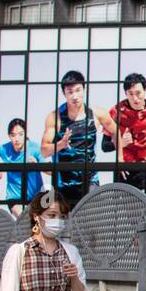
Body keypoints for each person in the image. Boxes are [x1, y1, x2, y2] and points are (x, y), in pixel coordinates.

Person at [42, 71, 117, 205]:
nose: (75, 96)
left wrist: (121, 157)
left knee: (90, 223)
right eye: (70, 92)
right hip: (63, 184)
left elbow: (116, 131)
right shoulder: (55, 117)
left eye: (78, 90)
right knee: (66, 224)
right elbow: (44, 151)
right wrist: (61, 144)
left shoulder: (96, 114)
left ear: (84, 89)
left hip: (90, 181)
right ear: (64, 93)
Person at [103, 73, 146, 194]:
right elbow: (104, 146)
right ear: (125, 93)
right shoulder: (115, 112)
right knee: (128, 212)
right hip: (124, 168)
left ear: (145, 90)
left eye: (138, 93)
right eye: (130, 94)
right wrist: (120, 143)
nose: (135, 98)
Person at [0, 118, 45, 218]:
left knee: (37, 226)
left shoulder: (35, 148)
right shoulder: (3, 149)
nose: (17, 139)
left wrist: (37, 165)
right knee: (25, 220)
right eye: (13, 135)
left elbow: (50, 170)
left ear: (25, 134)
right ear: (9, 136)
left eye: (20, 134)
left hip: (35, 196)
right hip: (14, 196)